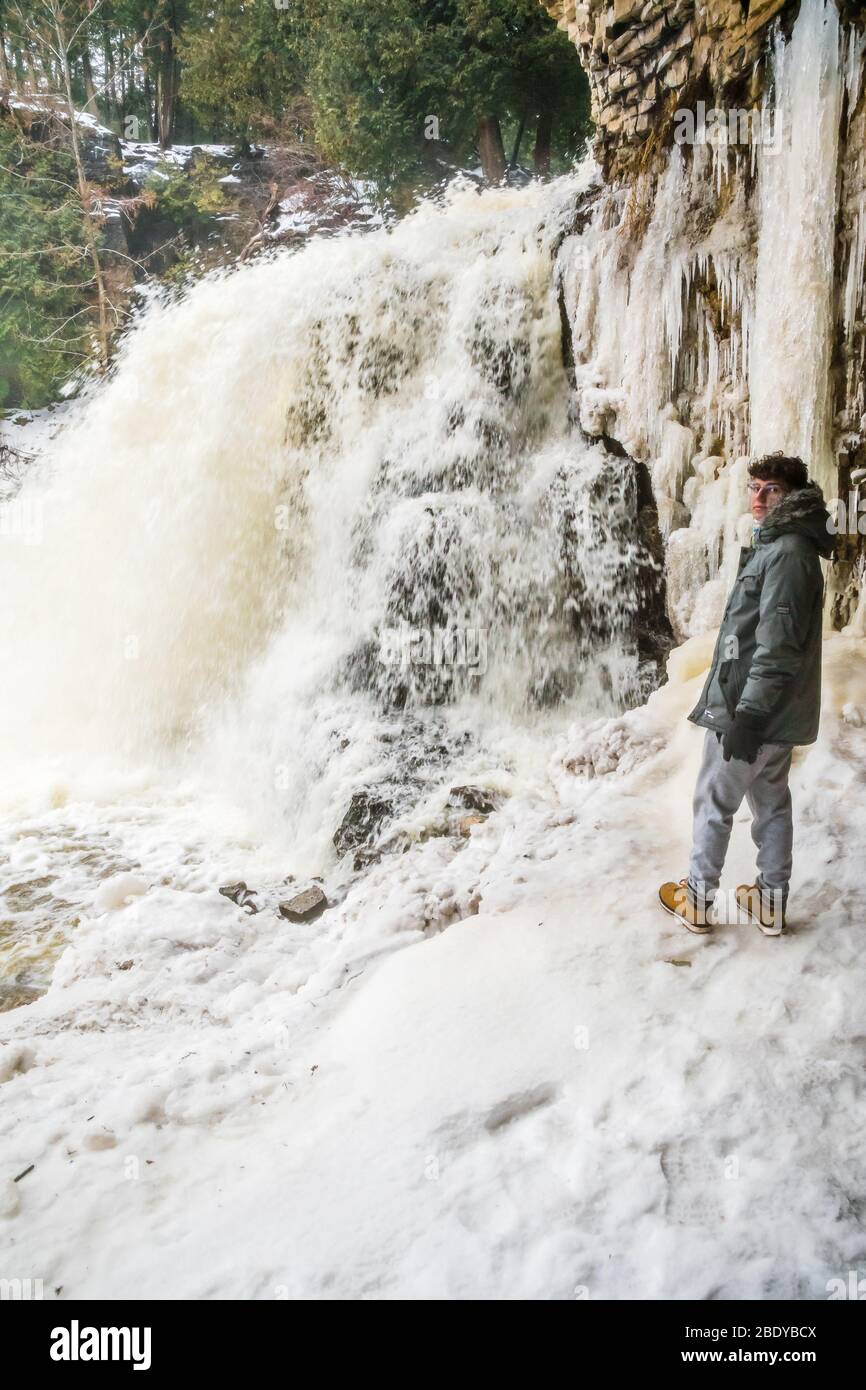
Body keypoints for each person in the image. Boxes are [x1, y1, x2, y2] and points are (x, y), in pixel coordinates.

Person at [658, 452, 835, 936]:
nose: (757, 497)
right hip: (774, 712)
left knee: (715, 801)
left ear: (792, 495)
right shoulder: (783, 546)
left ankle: (696, 899)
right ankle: (770, 901)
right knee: (771, 802)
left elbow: (777, 647)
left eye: (770, 490)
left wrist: (749, 715)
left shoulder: (788, 554)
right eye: (753, 487)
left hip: (750, 708)